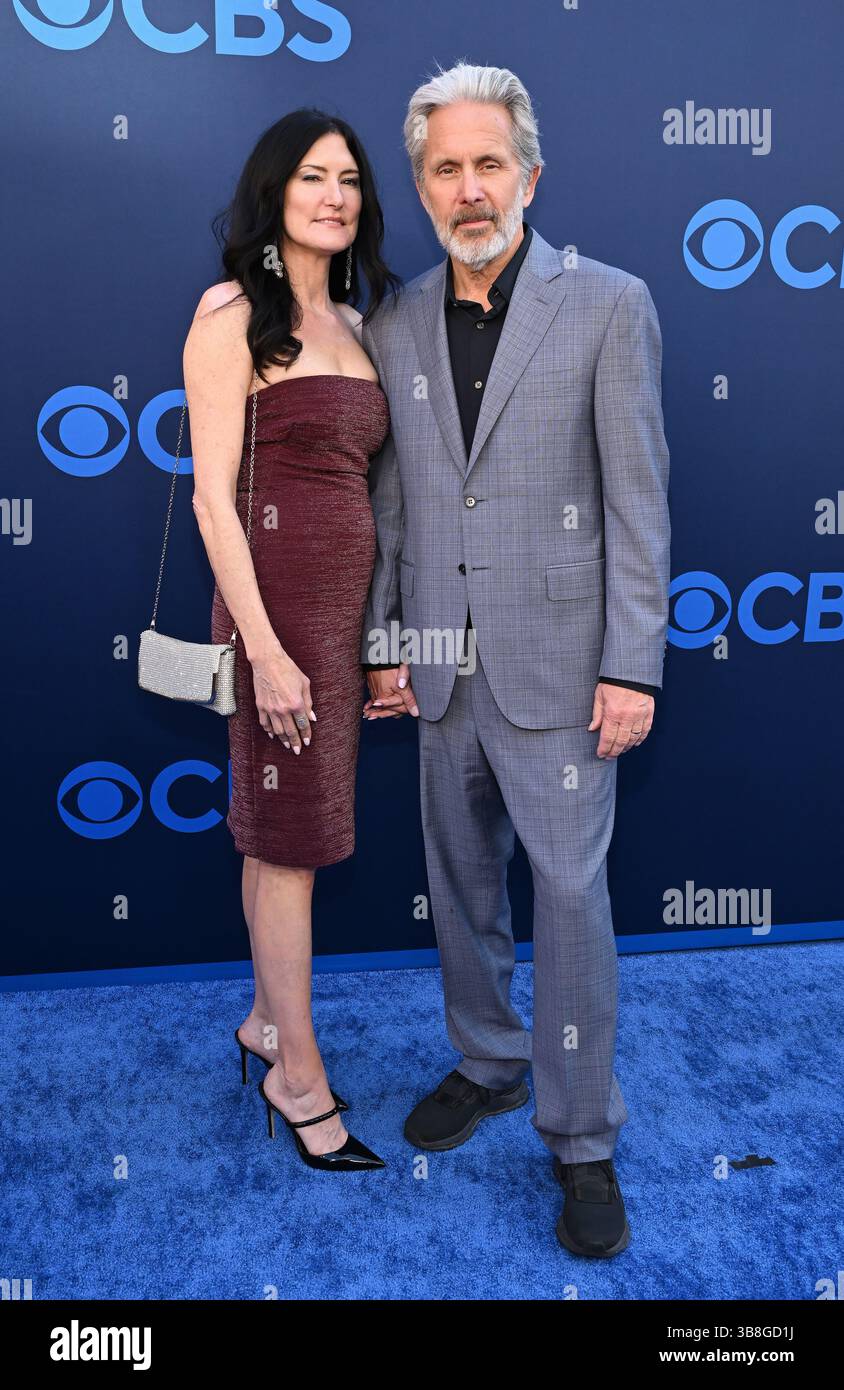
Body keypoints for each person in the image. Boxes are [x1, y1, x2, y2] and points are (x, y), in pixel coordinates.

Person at [361, 63, 671, 1252]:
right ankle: (487, 1060)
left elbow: (639, 501)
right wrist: (388, 643)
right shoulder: (391, 320)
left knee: (573, 902)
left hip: (564, 668)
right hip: (438, 665)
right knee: (461, 889)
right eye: (445, 166)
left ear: (529, 176)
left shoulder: (607, 303)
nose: (469, 186)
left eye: (489, 162)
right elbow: (391, 505)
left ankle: (582, 1137)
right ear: (423, 186)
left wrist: (631, 665)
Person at [184, 109, 400, 1172]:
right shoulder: (231, 314)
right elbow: (215, 503)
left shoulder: (361, 323)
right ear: (273, 192)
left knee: (281, 835)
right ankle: (298, 1077)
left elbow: (379, 494)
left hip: (340, 616)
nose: (334, 195)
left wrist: (372, 639)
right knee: (292, 846)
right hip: (272, 614)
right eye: (313, 176)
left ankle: (264, 1026)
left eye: (350, 179)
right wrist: (265, 651)